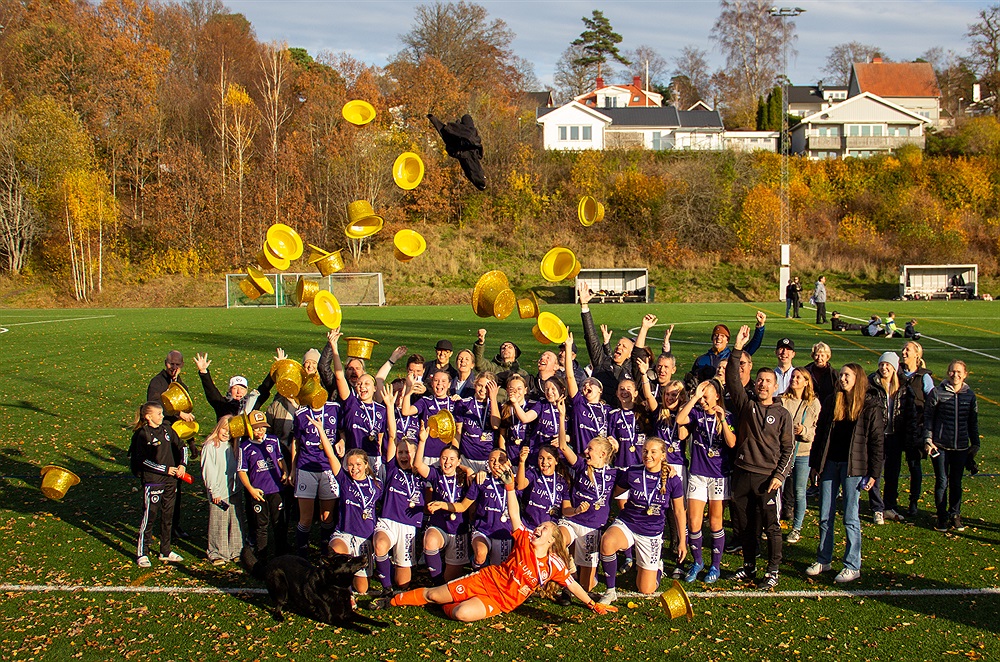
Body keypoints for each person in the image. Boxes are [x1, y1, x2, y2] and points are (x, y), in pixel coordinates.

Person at [379, 458, 618, 621]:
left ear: (551, 541)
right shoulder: (524, 538)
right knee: (432, 595)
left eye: (543, 529)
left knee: (461, 614)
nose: (537, 530)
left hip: (502, 601)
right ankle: (394, 600)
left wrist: (592, 604)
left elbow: (572, 584)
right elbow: (515, 514)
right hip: (486, 582)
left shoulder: (554, 564)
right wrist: (510, 488)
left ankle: (452, 602)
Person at [724, 325, 794, 590]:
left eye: (768, 381)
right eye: (760, 380)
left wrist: (779, 476)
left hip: (767, 479)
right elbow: (732, 380)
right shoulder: (747, 405)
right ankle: (749, 566)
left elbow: (788, 450)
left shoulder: (783, 415)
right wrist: (738, 348)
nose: (763, 384)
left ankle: (773, 571)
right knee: (746, 527)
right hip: (743, 473)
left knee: (771, 527)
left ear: (776, 386)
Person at [807, 363, 883, 583]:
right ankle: (824, 559)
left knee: (850, 517)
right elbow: (820, 435)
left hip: (854, 468)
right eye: (841, 375)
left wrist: (874, 473)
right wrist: (815, 465)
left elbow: (877, 442)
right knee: (824, 515)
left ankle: (852, 564)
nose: (842, 379)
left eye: (847, 375)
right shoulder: (832, 401)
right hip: (830, 463)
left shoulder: (870, 406)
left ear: (857, 378)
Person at [597, 438, 686, 603]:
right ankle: (610, 591)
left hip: (651, 532)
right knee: (607, 542)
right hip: (628, 523)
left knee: (646, 589)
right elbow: (614, 492)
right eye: (645, 451)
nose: (648, 455)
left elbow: (680, 511)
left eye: (653, 452)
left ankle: (657, 566)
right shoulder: (633, 472)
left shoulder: (673, 479)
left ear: (663, 455)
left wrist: (682, 541)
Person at [676, 380, 735, 584]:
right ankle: (698, 562)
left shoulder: (727, 416)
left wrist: (723, 421)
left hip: (719, 475)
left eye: (706, 395)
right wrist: (693, 397)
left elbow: (732, 442)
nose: (703, 400)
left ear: (717, 396)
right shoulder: (696, 414)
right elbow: (679, 419)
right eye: (701, 396)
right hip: (698, 474)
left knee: (716, 522)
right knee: (694, 522)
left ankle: (715, 566)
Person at [315, 423, 383, 595]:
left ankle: (351, 582)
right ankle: (341, 591)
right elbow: (330, 455)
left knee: (362, 589)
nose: (354, 468)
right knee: (337, 553)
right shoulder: (345, 480)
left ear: (366, 464)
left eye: (358, 464)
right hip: (344, 534)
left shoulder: (377, 486)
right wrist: (321, 431)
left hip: (364, 539)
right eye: (351, 465)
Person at [556, 433, 618, 592]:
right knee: (558, 539)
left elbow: (639, 473)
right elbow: (563, 447)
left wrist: (667, 469)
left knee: (586, 588)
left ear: (602, 454)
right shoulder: (582, 465)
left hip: (591, 528)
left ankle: (585, 573)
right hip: (572, 520)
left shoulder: (614, 475)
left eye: (590, 448)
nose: (585, 451)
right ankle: (568, 569)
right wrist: (562, 415)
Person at [290, 368, 341, 556]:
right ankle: (302, 554)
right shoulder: (301, 413)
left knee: (327, 516)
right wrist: (294, 469)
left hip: (328, 468)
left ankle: (325, 552)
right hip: (306, 467)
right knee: (306, 518)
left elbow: (342, 431)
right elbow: (296, 442)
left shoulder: (334, 408)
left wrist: (342, 440)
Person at [145, 350, 195, 541]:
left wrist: (191, 443)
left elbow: (186, 413)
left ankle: (173, 525)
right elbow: (153, 406)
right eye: (170, 364)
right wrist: (178, 414)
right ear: (165, 363)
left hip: (176, 439)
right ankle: (154, 525)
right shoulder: (157, 383)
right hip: (160, 439)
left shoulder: (181, 385)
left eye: (177, 365)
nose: (173, 368)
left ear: (182, 365)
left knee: (176, 484)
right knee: (162, 481)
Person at [924, 360, 979, 532]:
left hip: (961, 447)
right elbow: (928, 418)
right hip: (940, 446)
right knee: (942, 481)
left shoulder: (969, 395)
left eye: (959, 372)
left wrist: (975, 443)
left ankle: (955, 514)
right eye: (952, 371)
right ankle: (941, 517)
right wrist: (928, 439)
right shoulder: (937, 393)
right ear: (948, 373)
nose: (955, 375)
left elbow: (973, 422)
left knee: (956, 482)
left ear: (965, 374)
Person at [131, 401, 187, 567]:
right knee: (150, 516)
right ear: (148, 417)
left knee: (168, 516)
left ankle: (165, 550)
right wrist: (165, 469)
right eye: (159, 414)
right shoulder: (142, 434)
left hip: (171, 481)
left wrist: (182, 465)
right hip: (153, 481)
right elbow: (140, 460)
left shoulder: (167, 430)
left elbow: (182, 447)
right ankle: (142, 552)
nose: (162, 416)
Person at [867, 352, 918, 524]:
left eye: (888, 365)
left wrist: (910, 438)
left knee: (892, 473)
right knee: (875, 473)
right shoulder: (872, 385)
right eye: (882, 364)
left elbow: (911, 415)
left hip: (895, 437)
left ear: (895, 368)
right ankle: (877, 508)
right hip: (877, 436)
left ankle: (889, 506)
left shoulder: (904, 388)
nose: (884, 368)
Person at [415, 436, 475, 582]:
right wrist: (422, 441)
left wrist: (470, 471)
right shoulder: (436, 474)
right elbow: (418, 465)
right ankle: (436, 583)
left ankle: (443, 586)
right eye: (444, 458)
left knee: (450, 580)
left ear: (459, 461)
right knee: (430, 541)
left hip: (458, 531)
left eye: (451, 459)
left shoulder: (467, 478)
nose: (447, 462)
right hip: (439, 526)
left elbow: (463, 507)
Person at [237, 410, 288, 565]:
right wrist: (251, 489)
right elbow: (241, 471)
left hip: (276, 490)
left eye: (263, 427)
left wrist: (285, 471)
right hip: (258, 493)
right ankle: (262, 558)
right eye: (256, 428)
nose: (260, 431)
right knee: (261, 526)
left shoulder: (273, 441)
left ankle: (281, 555)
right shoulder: (244, 447)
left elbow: (280, 459)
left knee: (279, 523)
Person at [577, 280, 635, 407]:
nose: (619, 347)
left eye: (624, 346)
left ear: (630, 354)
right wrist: (585, 306)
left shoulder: (632, 372)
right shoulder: (602, 361)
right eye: (618, 344)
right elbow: (591, 339)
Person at [779, 369, 821, 543]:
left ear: (806, 382)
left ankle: (797, 527)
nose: (794, 379)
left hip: (803, 453)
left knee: (799, 490)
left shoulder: (813, 404)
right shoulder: (782, 400)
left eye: (799, 377)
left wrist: (804, 431)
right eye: (793, 377)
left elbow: (816, 430)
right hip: (783, 452)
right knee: (777, 489)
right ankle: (773, 523)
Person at [201, 415, 245, 566]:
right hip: (219, 492)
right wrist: (214, 492)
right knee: (218, 522)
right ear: (218, 428)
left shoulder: (233, 446)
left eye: (230, 431)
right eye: (224, 429)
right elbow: (209, 471)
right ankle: (217, 552)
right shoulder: (210, 446)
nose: (226, 433)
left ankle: (236, 551)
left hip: (233, 490)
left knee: (235, 521)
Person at [899, 341, 934, 516]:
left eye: (907, 350)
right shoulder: (896, 372)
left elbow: (933, 402)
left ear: (916, 355)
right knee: (892, 465)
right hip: (896, 426)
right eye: (903, 349)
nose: (903, 352)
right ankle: (890, 501)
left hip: (915, 428)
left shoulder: (924, 377)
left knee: (914, 465)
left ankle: (913, 502)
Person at [688, 311, 767, 385]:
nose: (718, 338)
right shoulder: (701, 360)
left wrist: (760, 327)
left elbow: (754, 345)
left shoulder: (734, 356)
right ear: (712, 338)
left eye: (722, 336)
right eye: (716, 335)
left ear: (727, 340)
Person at [564, 334, 610, 455]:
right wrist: (568, 347)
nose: (586, 386)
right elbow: (570, 376)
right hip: (581, 457)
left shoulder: (608, 410)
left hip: (601, 459)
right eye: (584, 385)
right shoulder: (579, 403)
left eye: (591, 383)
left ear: (600, 390)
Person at [453, 374, 501, 472]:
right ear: (474, 385)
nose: (483, 389)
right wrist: (454, 455)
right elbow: (457, 432)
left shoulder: (496, 406)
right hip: (467, 458)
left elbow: (495, 425)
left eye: (487, 387)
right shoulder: (463, 404)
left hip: (488, 459)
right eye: (480, 385)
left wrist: (493, 399)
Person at [804, 342, 837, 407]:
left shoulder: (833, 374)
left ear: (827, 357)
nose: (819, 358)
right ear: (813, 356)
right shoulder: (806, 372)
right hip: (809, 406)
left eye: (822, 355)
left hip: (827, 407)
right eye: (817, 355)